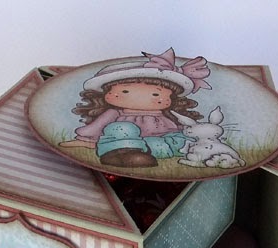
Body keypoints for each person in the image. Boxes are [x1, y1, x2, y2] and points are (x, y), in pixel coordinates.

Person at [60, 47, 211, 168]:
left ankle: (145, 153)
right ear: (108, 94)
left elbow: (178, 128)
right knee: (121, 128)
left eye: (155, 94)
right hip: (127, 141)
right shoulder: (115, 113)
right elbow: (96, 128)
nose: (142, 98)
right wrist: (84, 140)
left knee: (178, 139)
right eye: (125, 91)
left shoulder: (168, 115)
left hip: (156, 143)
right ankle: (121, 152)